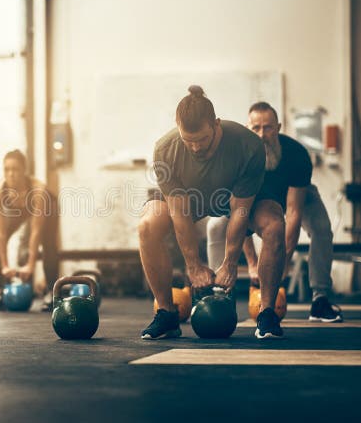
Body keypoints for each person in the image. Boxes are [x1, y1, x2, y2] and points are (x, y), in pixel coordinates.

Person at [138, 85, 287, 340]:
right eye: (188, 141)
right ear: (178, 128)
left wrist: (230, 264)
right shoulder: (165, 150)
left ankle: (267, 314)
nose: (195, 148)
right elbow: (180, 214)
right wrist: (194, 266)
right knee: (147, 225)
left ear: (216, 124)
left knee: (274, 224)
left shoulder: (248, 145)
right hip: (190, 200)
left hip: (236, 199)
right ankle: (166, 314)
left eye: (202, 140)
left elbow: (239, 212)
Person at [206, 102, 342, 322]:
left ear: (278, 127)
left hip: (297, 197)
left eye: (268, 127)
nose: (261, 134)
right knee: (216, 226)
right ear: (247, 128)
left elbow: (294, 212)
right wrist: (251, 264)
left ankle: (320, 298)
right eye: (256, 128)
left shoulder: (297, 155)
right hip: (253, 203)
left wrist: (282, 265)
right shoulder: (237, 158)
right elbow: (238, 214)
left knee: (322, 228)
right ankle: (218, 294)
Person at [0, 149, 59, 312]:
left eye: (15, 169)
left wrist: (30, 265)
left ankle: (52, 292)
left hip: (47, 207)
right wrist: (5, 266)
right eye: (7, 169)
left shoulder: (38, 190)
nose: (11, 174)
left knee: (48, 242)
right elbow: (0, 233)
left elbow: (35, 232)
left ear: (24, 171)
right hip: (19, 209)